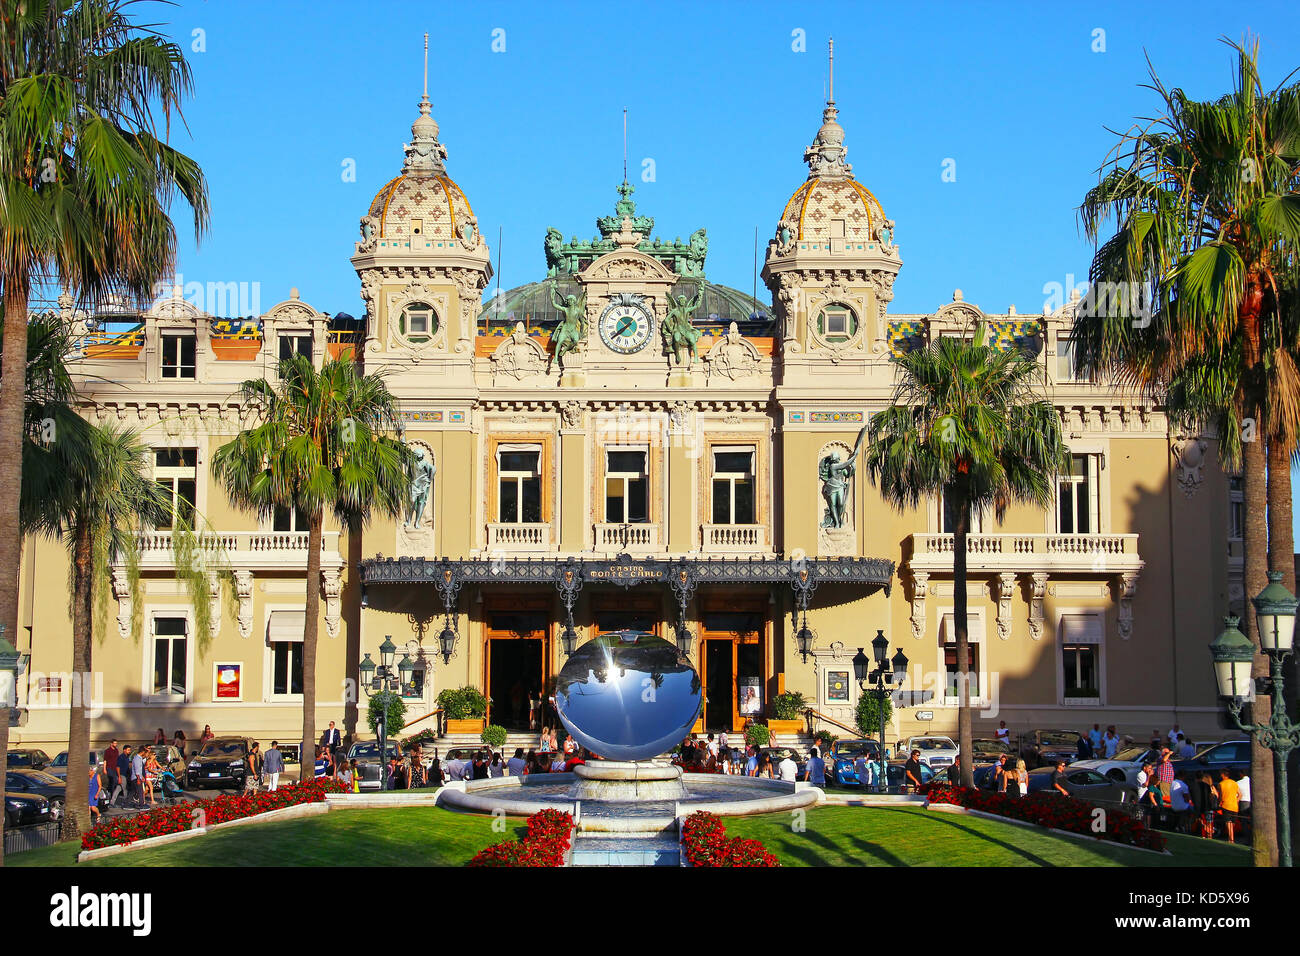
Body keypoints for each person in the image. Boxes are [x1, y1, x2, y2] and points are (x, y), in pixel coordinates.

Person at [1217, 770, 1240, 844]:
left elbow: (1220, 796)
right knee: (1232, 823)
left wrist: (1219, 803)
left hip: (1226, 805)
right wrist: (1236, 801)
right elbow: (1240, 794)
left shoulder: (1221, 784)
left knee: (1228, 823)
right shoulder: (1234, 783)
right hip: (1234, 806)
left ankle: (1231, 839)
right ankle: (1231, 838)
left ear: (1223, 775)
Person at [103, 739, 121, 806]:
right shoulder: (107, 751)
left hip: (115, 768)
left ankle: (112, 795)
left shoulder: (116, 750)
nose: (115, 744)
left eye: (116, 743)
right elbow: (105, 760)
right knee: (112, 781)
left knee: (114, 782)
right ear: (111, 743)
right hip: (109, 767)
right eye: (114, 743)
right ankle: (109, 794)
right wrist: (104, 769)